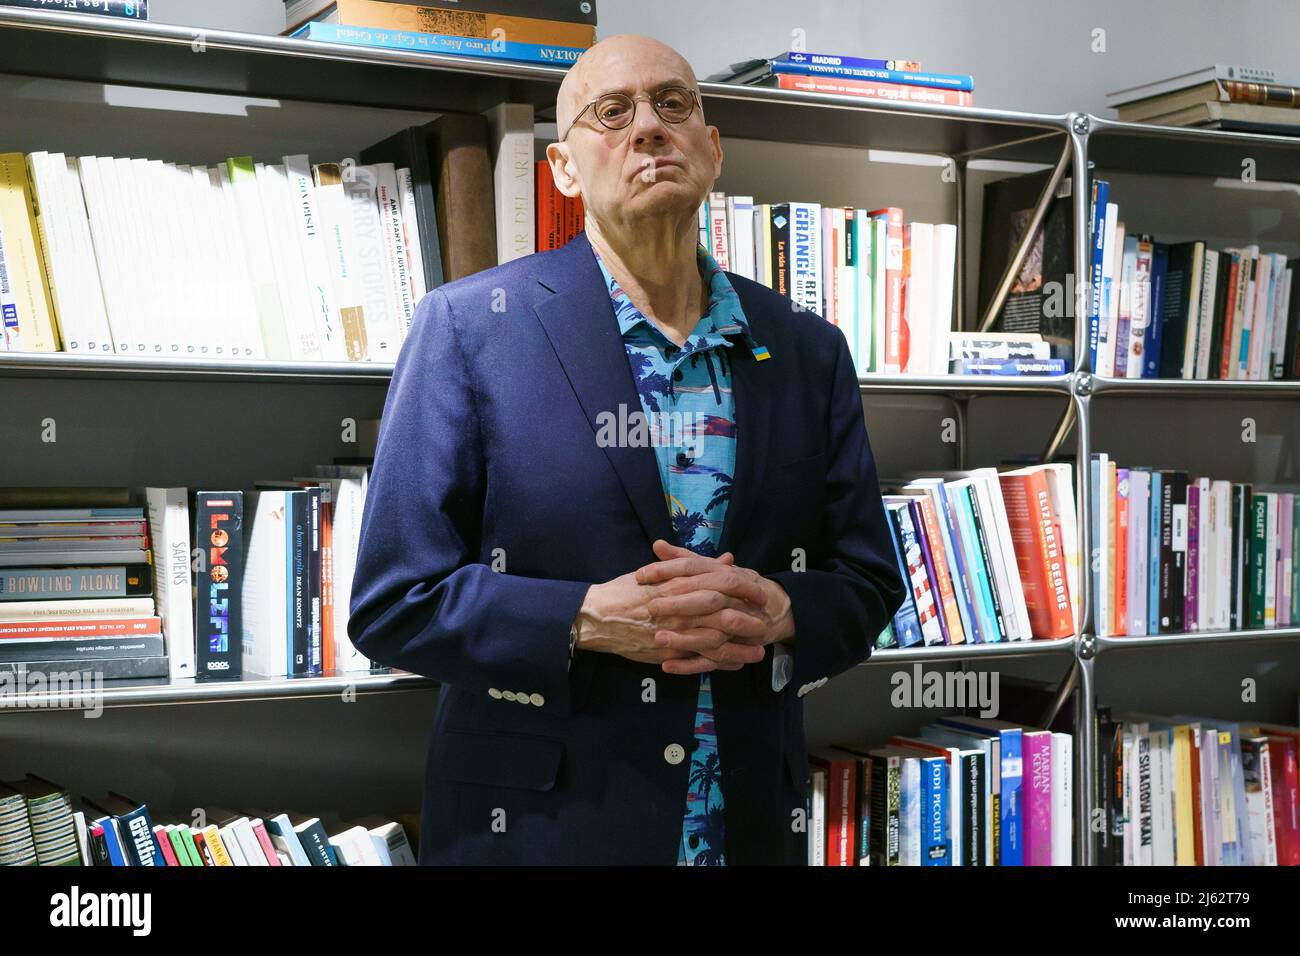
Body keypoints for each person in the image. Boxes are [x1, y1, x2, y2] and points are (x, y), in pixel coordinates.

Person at [347, 33, 907, 865]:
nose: (648, 127)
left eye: (671, 104)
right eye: (611, 113)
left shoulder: (806, 348)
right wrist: (585, 619)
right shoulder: (469, 330)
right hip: (542, 831)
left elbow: (866, 583)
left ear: (712, 151)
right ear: (565, 171)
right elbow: (393, 603)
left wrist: (781, 611)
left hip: (749, 826)